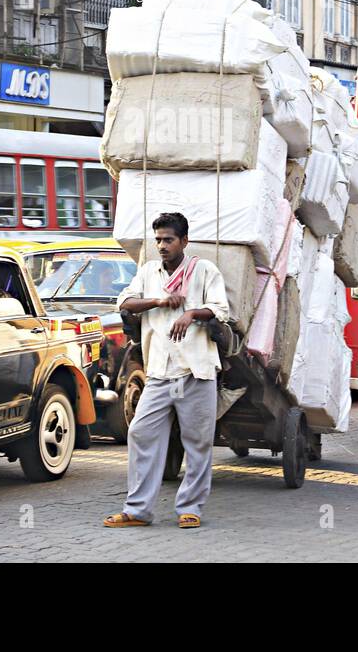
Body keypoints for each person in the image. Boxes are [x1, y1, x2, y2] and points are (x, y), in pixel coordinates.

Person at [103, 212, 230, 530]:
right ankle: (138, 510)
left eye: (168, 239)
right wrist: (159, 302)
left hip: (196, 371)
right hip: (159, 373)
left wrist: (191, 314)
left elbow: (221, 310)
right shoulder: (148, 272)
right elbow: (126, 302)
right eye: (158, 239)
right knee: (140, 433)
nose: (162, 245)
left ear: (184, 241)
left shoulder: (203, 271)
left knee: (197, 442)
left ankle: (191, 508)